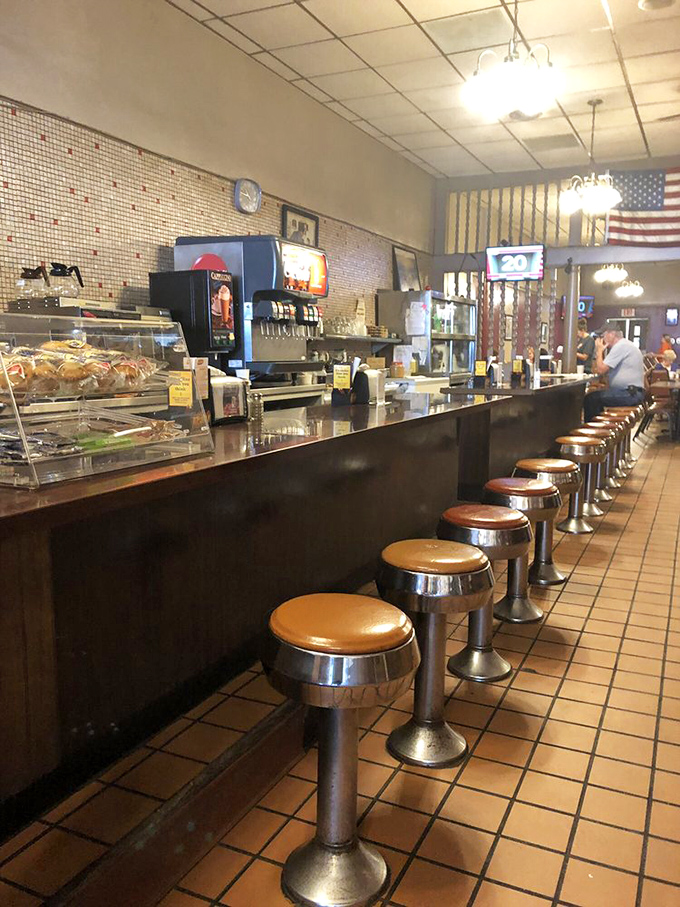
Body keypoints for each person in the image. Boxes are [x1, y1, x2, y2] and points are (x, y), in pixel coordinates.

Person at [583, 322, 646, 421]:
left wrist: (599, 351)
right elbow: (601, 369)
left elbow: (600, 369)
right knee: (595, 397)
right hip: (632, 392)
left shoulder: (620, 346)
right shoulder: (624, 345)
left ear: (611, 334)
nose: (601, 339)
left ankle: (594, 433)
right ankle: (600, 428)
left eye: (603, 336)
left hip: (630, 394)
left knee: (591, 399)